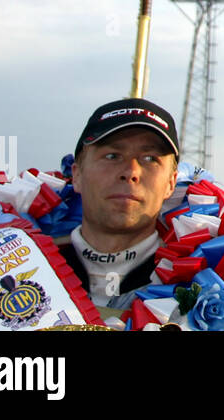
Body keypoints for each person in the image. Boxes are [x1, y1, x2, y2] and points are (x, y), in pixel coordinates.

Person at [57, 99, 181, 321]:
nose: (131, 171)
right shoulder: (20, 266)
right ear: (77, 175)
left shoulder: (202, 287)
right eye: (112, 156)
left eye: (150, 159)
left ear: (171, 183)